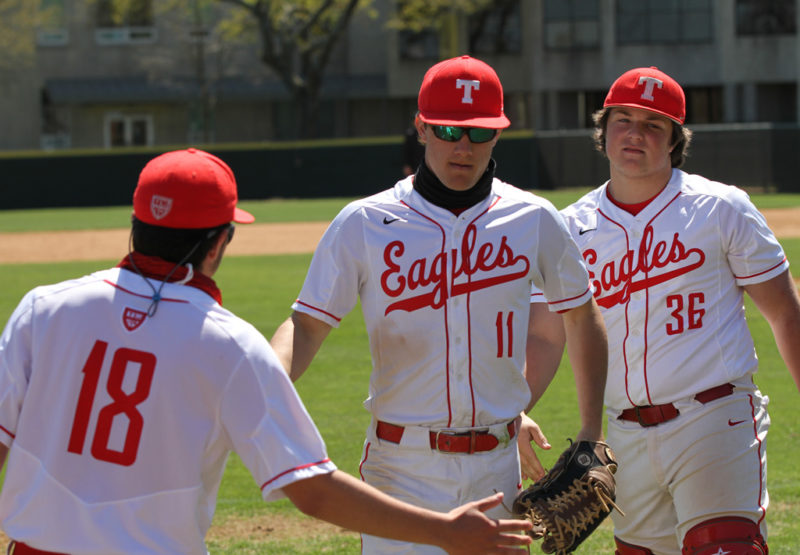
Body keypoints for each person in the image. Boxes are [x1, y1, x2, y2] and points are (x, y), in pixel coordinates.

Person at [0, 148, 535, 555]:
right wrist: (445, 530)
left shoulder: (42, 308)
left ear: (137, 224)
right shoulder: (227, 343)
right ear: (219, 242)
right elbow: (314, 491)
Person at [270, 55, 609, 554]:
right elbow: (307, 325)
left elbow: (581, 315)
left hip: (497, 467)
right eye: (450, 131)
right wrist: (264, 383)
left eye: (479, 132)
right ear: (422, 128)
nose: (464, 146)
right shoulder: (365, 222)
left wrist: (589, 432)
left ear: (499, 134)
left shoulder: (532, 218)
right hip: (401, 468)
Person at [550, 66, 800, 553]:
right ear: (603, 132)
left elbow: (785, 314)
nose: (635, 134)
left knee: (725, 545)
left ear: (673, 141)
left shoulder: (720, 208)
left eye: (653, 124)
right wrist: (517, 413)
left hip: (714, 416)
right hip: (624, 437)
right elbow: (545, 334)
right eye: (623, 119)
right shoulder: (570, 227)